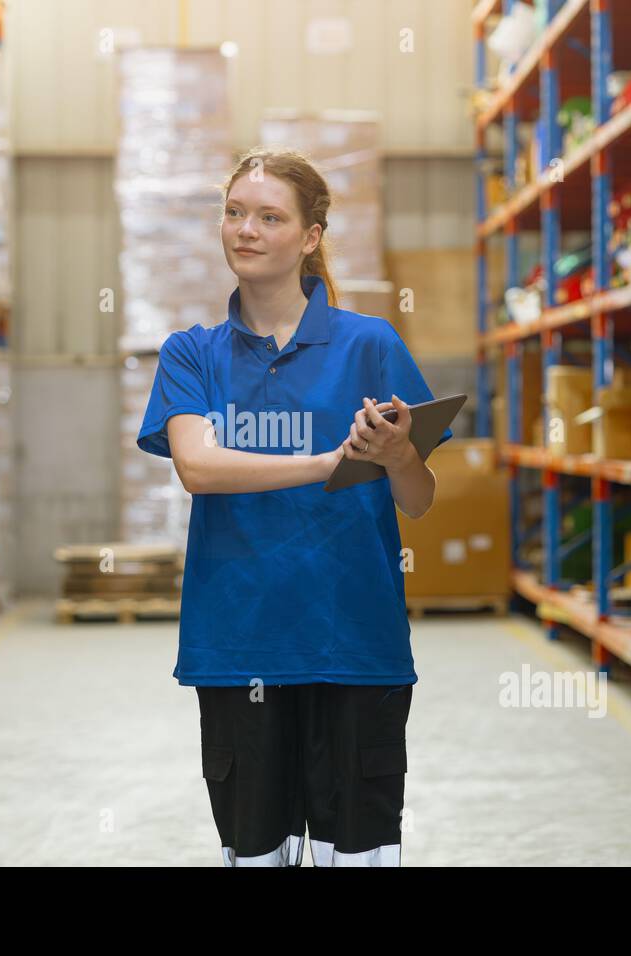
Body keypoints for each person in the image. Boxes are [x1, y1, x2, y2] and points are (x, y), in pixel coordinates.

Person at [136, 147, 451, 867]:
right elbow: (198, 467)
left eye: (269, 217)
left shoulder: (370, 345)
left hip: (355, 641)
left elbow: (419, 501)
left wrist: (398, 455)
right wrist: (329, 463)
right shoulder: (194, 353)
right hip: (239, 641)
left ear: (310, 237)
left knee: (360, 856)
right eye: (234, 213)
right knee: (256, 854)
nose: (244, 230)